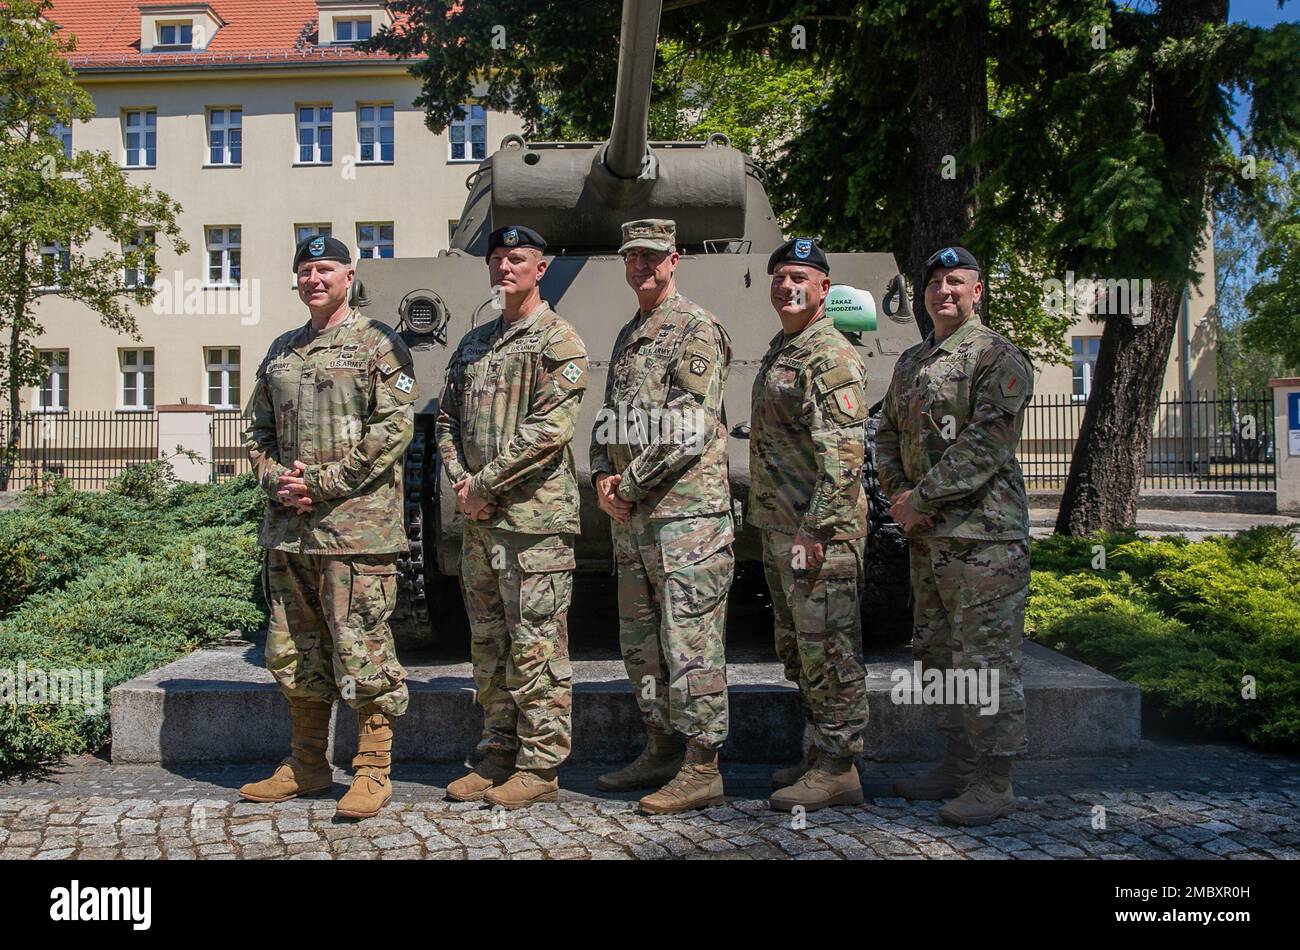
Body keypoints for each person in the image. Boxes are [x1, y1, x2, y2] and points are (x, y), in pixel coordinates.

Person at [240, 234, 417, 820]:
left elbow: (394, 429)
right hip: (290, 532)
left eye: (326, 269)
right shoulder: (282, 351)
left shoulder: (378, 345)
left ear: (349, 275)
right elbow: (256, 431)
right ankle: (307, 764)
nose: (315, 278)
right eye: (306, 270)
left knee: (362, 649)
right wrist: (276, 481)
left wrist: (324, 483)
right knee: (294, 651)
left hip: (355, 532)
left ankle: (371, 770)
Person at [875, 244, 1034, 826]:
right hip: (928, 537)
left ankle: (996, 780)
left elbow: (987, 444)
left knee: (987, 661)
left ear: (978, 291)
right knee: (939, 657)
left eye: (956, 282)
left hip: (982, 539)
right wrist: (898, 495)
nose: (945, 290)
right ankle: (959, 763)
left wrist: (921, 499)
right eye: (936, 282)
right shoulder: (913, 360)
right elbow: (885, 432)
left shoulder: (997, 357)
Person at [435, 225, 588, 810]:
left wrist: (485, 484)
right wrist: (461, 483)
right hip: (481, 523)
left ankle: (541, 763)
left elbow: (550, 431)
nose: (504, 268)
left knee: (538, 644)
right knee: (490, 643)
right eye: (497, 259)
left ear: (539, 268)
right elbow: (446, 421)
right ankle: (497, 749)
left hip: (534, 524)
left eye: (516, 259)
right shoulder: (473, 345)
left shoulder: (559, 341)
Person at [590, 218, 734, 815]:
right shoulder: (631, 332)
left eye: (652, 257)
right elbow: (608, 418)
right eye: (632, 258)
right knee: (642, 643)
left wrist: (628, 481)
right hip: (633, 520)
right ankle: (658, 746)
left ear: (674, 261)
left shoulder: (695, 329)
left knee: (691, 640)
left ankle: (703, 765)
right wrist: (602, 477)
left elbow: (690, 425)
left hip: (686, 520)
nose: (641, 267)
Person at [750, 238, 870, 812]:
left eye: (800, 276)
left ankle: (840, 768)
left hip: (817, 534)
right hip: (785, 530)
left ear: (825, 287)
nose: (787, 285)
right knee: (800, 648)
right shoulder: (786, 347)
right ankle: (818, 753)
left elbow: (846, 456)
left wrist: (815, 531)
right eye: (779, 276)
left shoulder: (828, 355)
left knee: (830, 649)